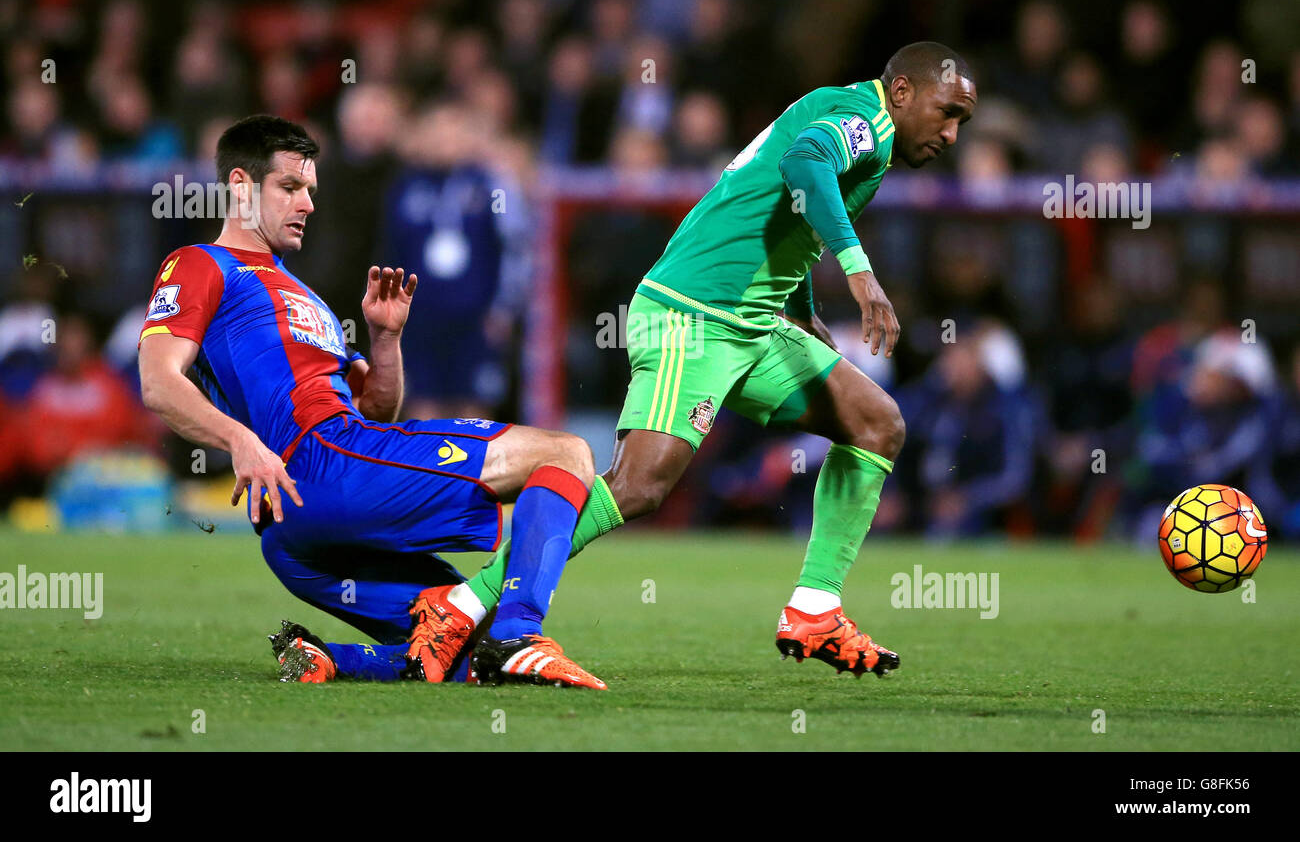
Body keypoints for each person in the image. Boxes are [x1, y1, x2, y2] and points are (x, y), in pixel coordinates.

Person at [422, 41, 977, 681]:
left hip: (753, 321)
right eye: (947, 112)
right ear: (902, 92)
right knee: (638, 486)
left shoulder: (853, 117)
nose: (952, 134)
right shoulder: (865, 121)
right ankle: (463, 603)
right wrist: (860, 271)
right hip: (692, 315)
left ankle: (815, 609)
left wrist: (802, 306)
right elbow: (803, 165)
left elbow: (784, 210)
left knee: (876, 423)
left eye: (963, 121)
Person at [137, 115, 605, 689]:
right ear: (240, 186)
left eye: (310, 189)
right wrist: (241, 440)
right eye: (289, 187)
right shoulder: (200, 264)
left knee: (463, 650)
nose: (307, 204)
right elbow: (158, 382)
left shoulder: (306, 297)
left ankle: (333, 658)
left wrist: (385, 340)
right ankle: (520, 632)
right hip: (326, 464)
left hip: (301, 532)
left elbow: (376, 410)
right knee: (566, 454)